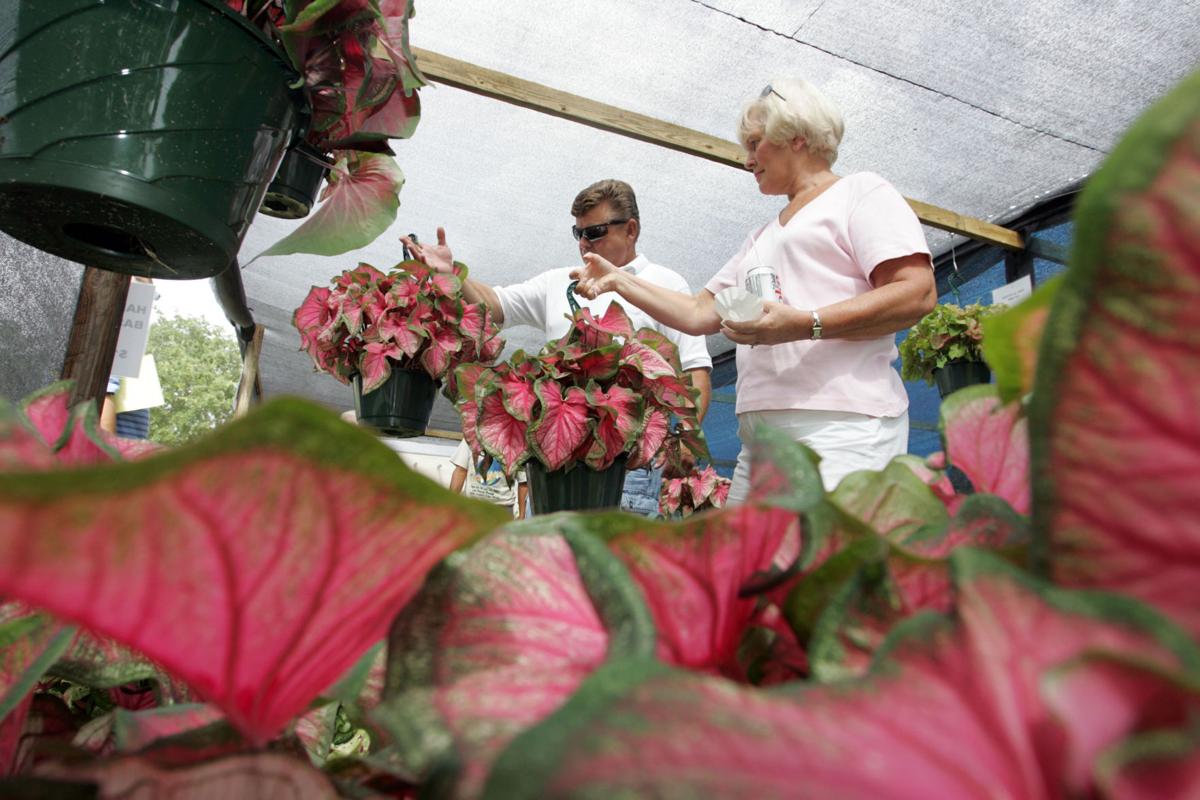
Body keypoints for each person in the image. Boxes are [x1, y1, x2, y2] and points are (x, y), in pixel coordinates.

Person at [572, 78, 936, 502]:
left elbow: (916, 292)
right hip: (761, 443)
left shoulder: (860, 192)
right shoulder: (761, 238)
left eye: (754, 143)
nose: (747, 160)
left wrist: (805, 324)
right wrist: (619, 279)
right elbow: (697, 312)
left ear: (796, 137)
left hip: (839, 429)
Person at [402, 179, 713, 516]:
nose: (583, 242)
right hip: (553, 466)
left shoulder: (666, 284)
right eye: (577, 232)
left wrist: (681, 441)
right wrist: (453, 275)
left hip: (630, 473)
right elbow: (496, 305)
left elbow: (696, 374)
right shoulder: (560, 281)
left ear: (631, 229)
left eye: (594, 232)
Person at [448, 439, 528, 519]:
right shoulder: (472, 435)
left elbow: (523, 482)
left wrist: (522, 516)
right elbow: (461, 471)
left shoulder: (516, 439)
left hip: (502, 509)